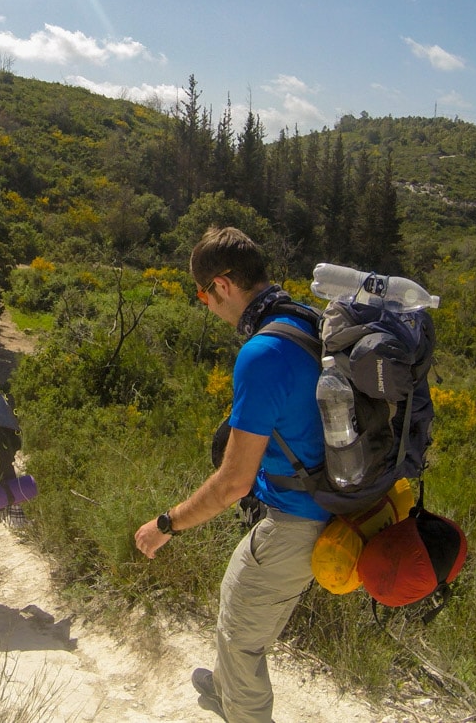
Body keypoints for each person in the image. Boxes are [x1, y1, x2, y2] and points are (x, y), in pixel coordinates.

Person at [134, 227, 330, 723]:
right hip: (340, 496)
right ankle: (223, 686)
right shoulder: (305, 318)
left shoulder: (262, 353)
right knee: (235, 593)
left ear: (221, 285)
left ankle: (239, 706)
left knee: (241, 638)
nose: (206, 306)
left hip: (299, 519)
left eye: (202, 295)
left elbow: (231, 485)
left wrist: (165, 525)